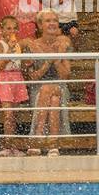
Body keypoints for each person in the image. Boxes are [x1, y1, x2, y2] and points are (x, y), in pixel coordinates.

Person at [23, 8, 73, 155]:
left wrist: (56, 60)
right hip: (37, 89)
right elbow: (31, 78)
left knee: (52, 89)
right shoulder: (32, 46)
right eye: (48, 20)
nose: (52, 23)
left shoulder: (63, 44)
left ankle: (37, 138)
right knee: (53, 97)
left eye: (55, 20)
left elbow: (65, 76)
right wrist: (47, 63)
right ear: (40, 25)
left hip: (61, 86)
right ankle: (53, 145)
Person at [0, 13, 30, 154]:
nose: (12, 31)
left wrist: (26, 63)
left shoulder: (18, 45)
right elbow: (1, 65)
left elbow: (19, 64)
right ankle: (6, 146)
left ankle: (13, 145)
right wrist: (11, 50)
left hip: (17, 78)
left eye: (14, 28)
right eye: (8, 28)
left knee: (14, 115)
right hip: (5, 79)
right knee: (7, 114)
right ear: (2, 31)